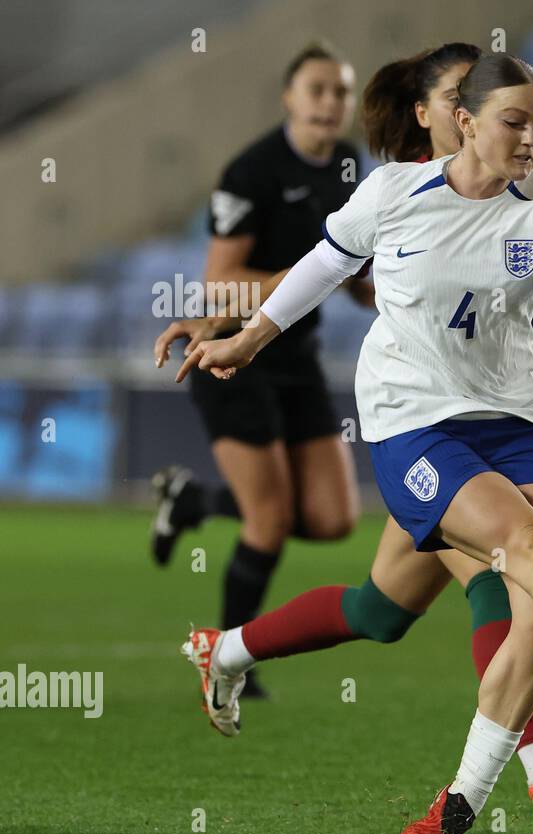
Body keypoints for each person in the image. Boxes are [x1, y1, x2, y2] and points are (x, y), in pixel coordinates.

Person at [173, 53, 533, 834]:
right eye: (517, 121)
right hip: (414, 423)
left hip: (511, 418)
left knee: (423, 608)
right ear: (457, 119)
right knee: (528, 562)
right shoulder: (394, 191)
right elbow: (323, 267)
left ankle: (452, 806)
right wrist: (247, 338)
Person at [150, 41, 374, 699]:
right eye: (319, 89)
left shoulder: (348, 163)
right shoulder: (251, 171)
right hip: (232, 350)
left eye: (341, 91)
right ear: (288, 96)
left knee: (333, 519)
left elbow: (352, 265)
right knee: (270, 519)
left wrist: (383, 289)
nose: (332, 102)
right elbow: (219, 285)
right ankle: (228, 661)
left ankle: (194, 500)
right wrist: (309, 279)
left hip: (297, 356)